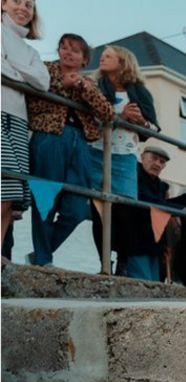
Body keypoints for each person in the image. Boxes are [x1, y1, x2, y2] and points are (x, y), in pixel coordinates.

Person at [26, 33, 114, 266]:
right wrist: (60, 86)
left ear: (85, 59)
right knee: (45, 199)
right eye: (64, 47)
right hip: (49, 137)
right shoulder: (45, 70)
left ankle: (39, 255)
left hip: (81, 142)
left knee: (77, 209)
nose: (68, 53)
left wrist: (84, 88)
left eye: (75, 50)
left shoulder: (90, 83)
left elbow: (107, 113)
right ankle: (43, 259)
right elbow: (31, 102)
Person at [88, 45, 158, 262]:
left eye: (109, 56)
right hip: (96, 152)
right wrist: (122, 116)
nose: (102, 58)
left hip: (126, 155)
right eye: (102, 55)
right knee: (99, 213)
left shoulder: (140, 91)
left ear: (123, 62)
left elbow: (154, 128)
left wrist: (141, 121)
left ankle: (122, 263)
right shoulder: (95, 87)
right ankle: (104, 263)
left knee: (126, 213)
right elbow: (89, 121)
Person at [1, 0, 48, 265]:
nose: (23, 8)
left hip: (19, 119)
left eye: (29, 5)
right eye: (17, 1)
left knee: (15, 191)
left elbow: (43, 81)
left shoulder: (30, 50)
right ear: (2, 4)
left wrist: (13, 68)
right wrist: (25, 76)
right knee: (6, 186)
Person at [115, 144, 170, 281]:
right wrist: (181, 209)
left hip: (153, 246)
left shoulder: (160, 186)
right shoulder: (132, 174)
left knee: (154, 286)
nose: (157, 164)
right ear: (142, 157)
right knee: (143, 284)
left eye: (162, 161)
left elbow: (161, 216)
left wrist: (165, 244)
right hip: (135, 243)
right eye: (154, 158)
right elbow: (148, 200)